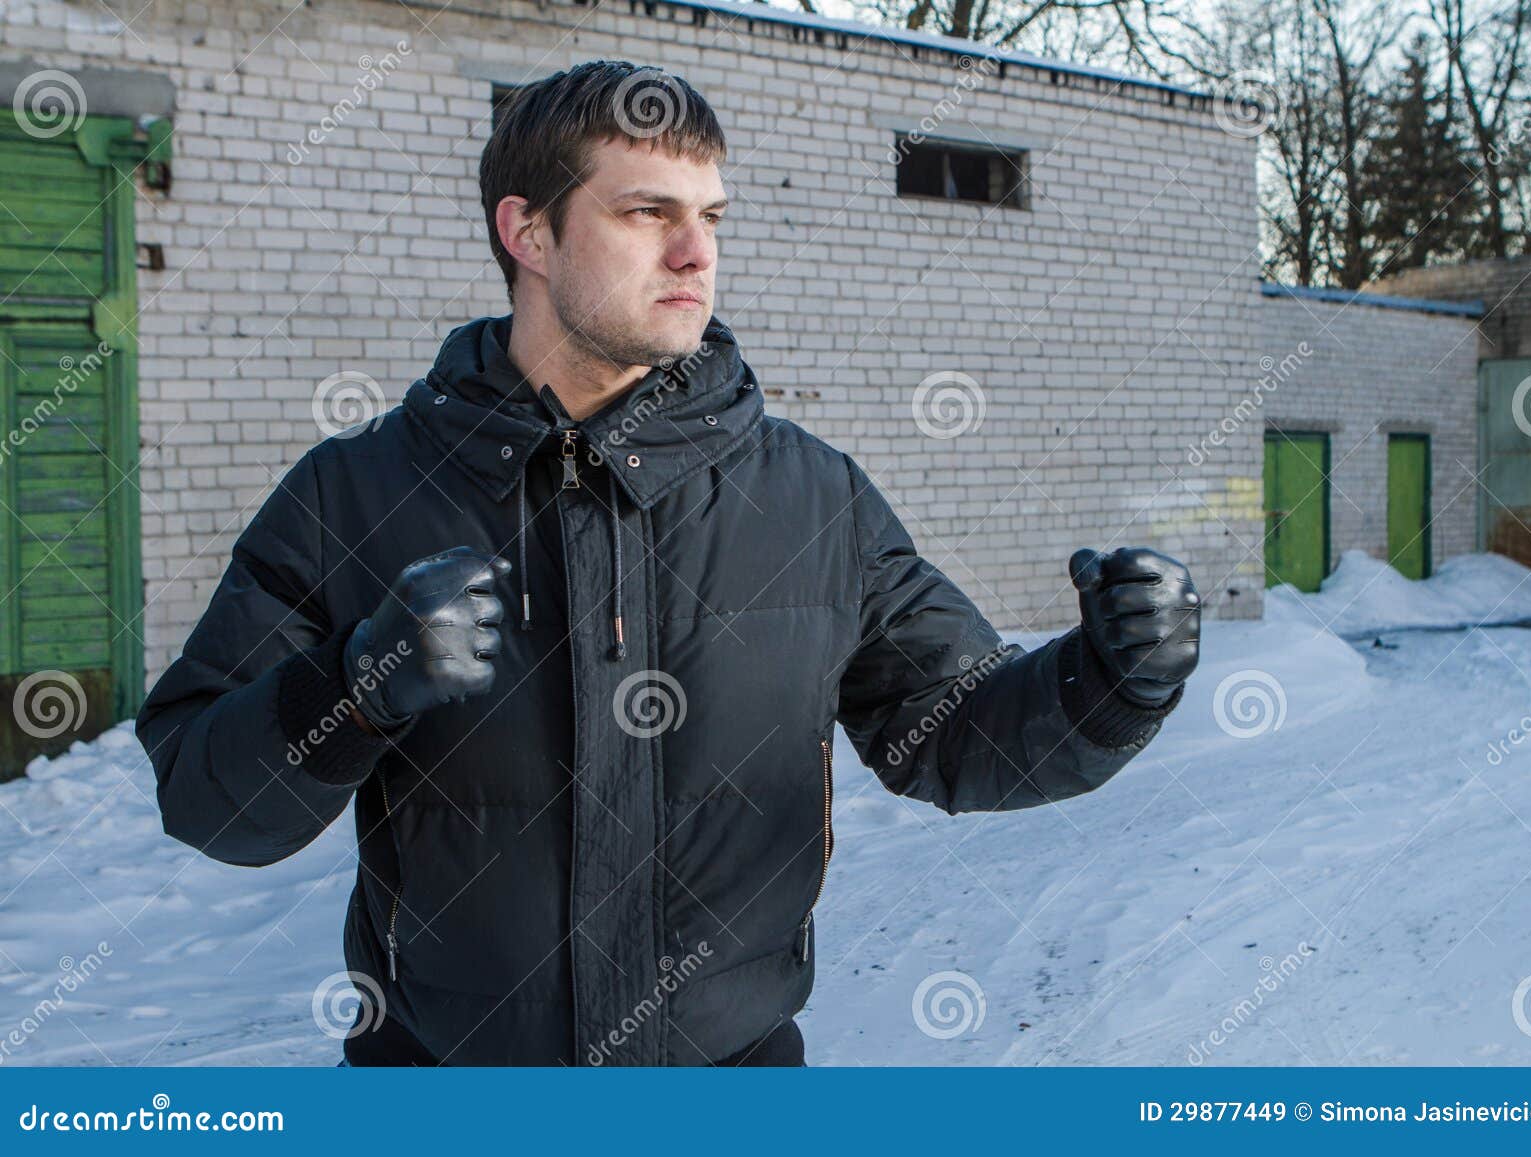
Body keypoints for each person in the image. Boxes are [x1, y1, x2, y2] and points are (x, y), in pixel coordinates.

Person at [135, 59, 1200, 1067]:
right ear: (530, 233)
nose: (698, 254)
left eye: (712, 218)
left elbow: (957, 735)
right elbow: (206, 800)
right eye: (648, 212)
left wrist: (1107, 681)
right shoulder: (355, 493)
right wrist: (353, 692)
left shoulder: (811, 496)